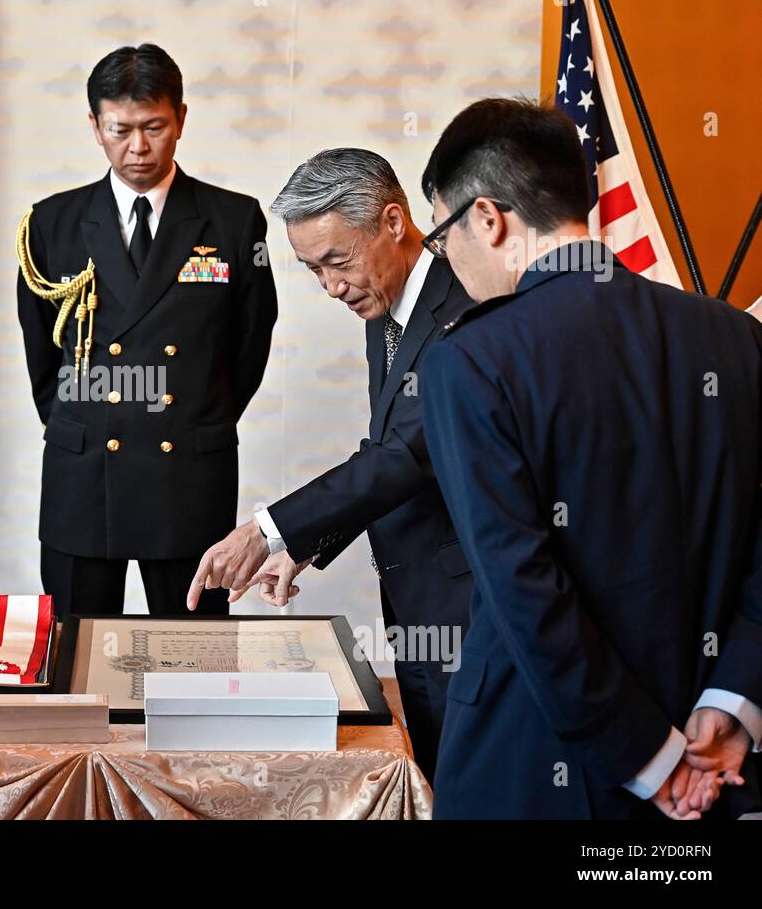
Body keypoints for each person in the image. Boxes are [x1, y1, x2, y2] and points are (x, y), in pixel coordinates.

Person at [419, 97, 761, 819]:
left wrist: (649, 757)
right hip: (715, 757)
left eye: (441, 234)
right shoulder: (736, 336)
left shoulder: (470, 358)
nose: (448, 259)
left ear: (487, 218)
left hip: (532, 763)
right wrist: (736, 697)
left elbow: (523, 583)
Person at [185, 149, 474, 782]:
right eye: (313, 270)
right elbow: (386, 450)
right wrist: (306, 543)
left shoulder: (464, 307)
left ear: (393, 222)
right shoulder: (385, 306)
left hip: (469, 610)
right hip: (419, 607)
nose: (331, 287)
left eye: (338, 262)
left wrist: (267, 531)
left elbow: (409, 455)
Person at [16, 43, 277, 617]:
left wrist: (198, 416)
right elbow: (43, 355)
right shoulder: (50, 223)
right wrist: (82, 419)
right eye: (120, 129)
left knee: (196, 653)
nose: (138, 147)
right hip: (84, 473)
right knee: (75, 652)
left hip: (188, 472)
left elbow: (251, 340)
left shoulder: (234, 221)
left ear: (181, 118)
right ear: (95, 126)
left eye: (154, 127)